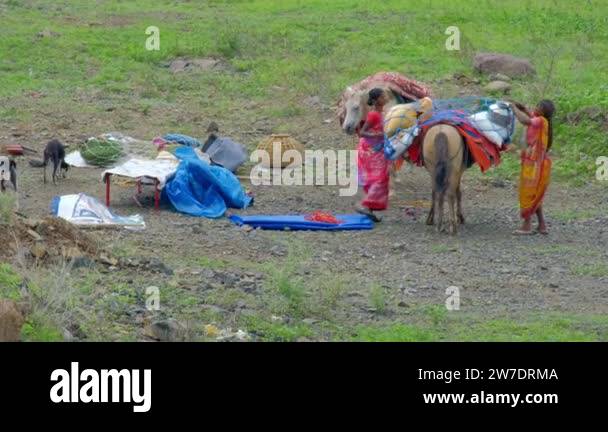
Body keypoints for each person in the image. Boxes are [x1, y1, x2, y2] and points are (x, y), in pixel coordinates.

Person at [510, 99, 555, 235]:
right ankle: (542, 225)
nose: (535, 107)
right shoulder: (542, 121)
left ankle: (527, 225)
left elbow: (526, 121)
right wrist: (521, 107)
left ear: (543, 111)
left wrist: (513, 108)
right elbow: (529, 115)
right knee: (535, 195)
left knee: (527, 192)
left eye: (538, 106)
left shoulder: (540, 121)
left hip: (533, 165)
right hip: (536, 163)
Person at [355, 88, 390, 222]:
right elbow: (362, 132)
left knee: (381, 178)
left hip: (379, 150)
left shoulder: (384, 113)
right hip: (369, 150)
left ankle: (369, 208)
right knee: (378, 178)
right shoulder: (373, 115)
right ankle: (366, 205)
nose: (386, 97)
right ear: (376, 100)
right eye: (383, 96)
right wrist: (379, 135)